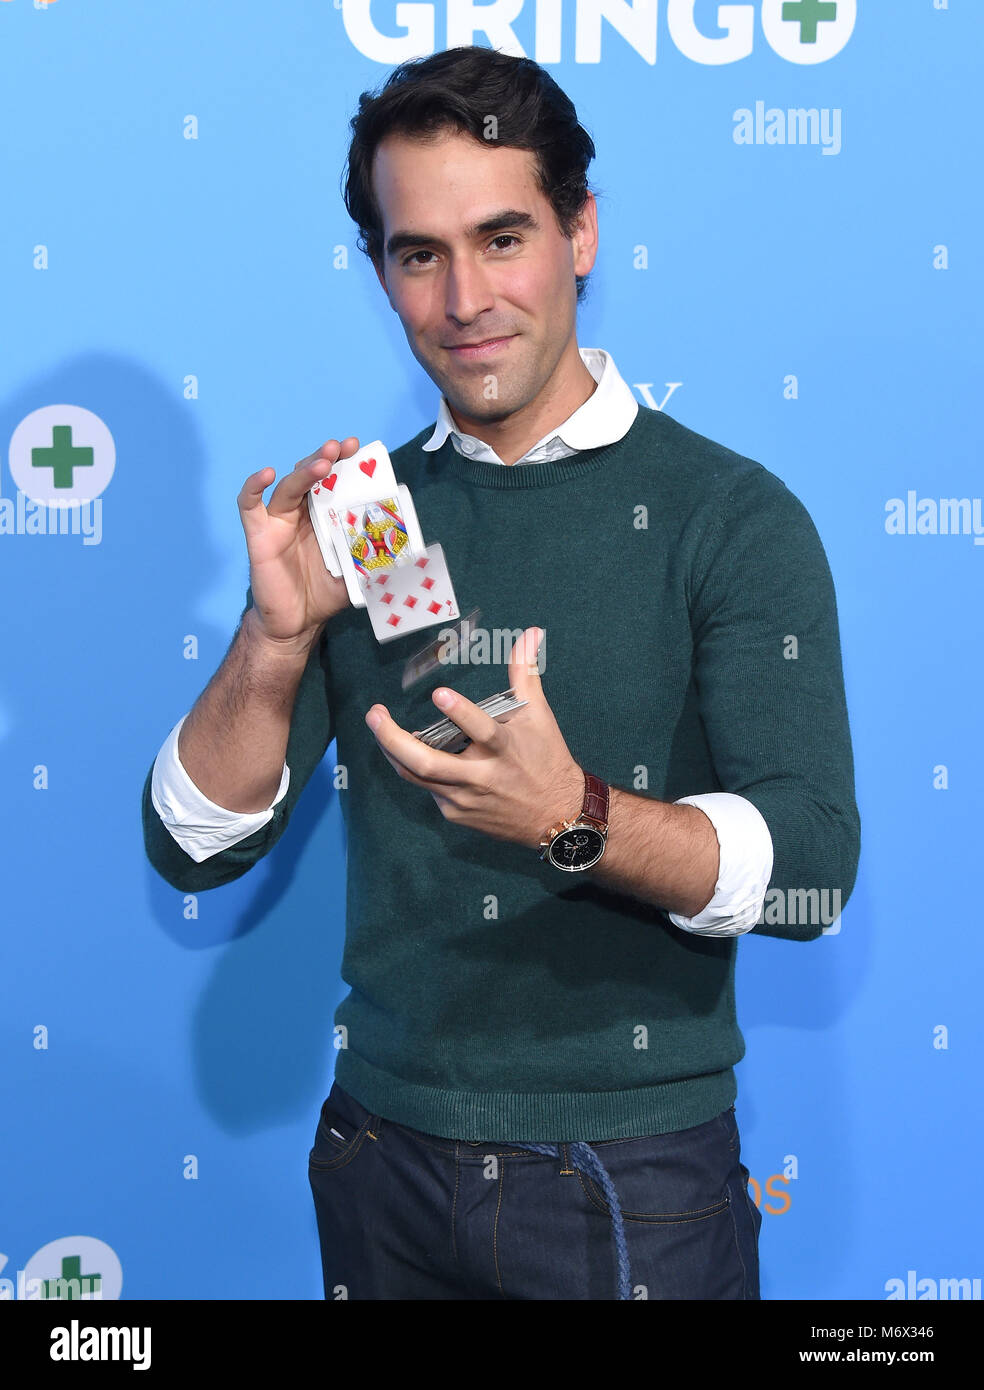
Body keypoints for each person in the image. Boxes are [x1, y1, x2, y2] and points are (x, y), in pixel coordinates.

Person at [142, 45, 860, 1301]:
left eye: (503, 237)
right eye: (419, 254)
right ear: (381, 272)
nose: (465, 297)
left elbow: (811, 869)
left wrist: (575, 817)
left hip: (634, 1177)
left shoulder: (729, 516)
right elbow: (193, 846)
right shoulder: (370, 518)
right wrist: (276, 639)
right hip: (380, 1157)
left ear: (581, 232)